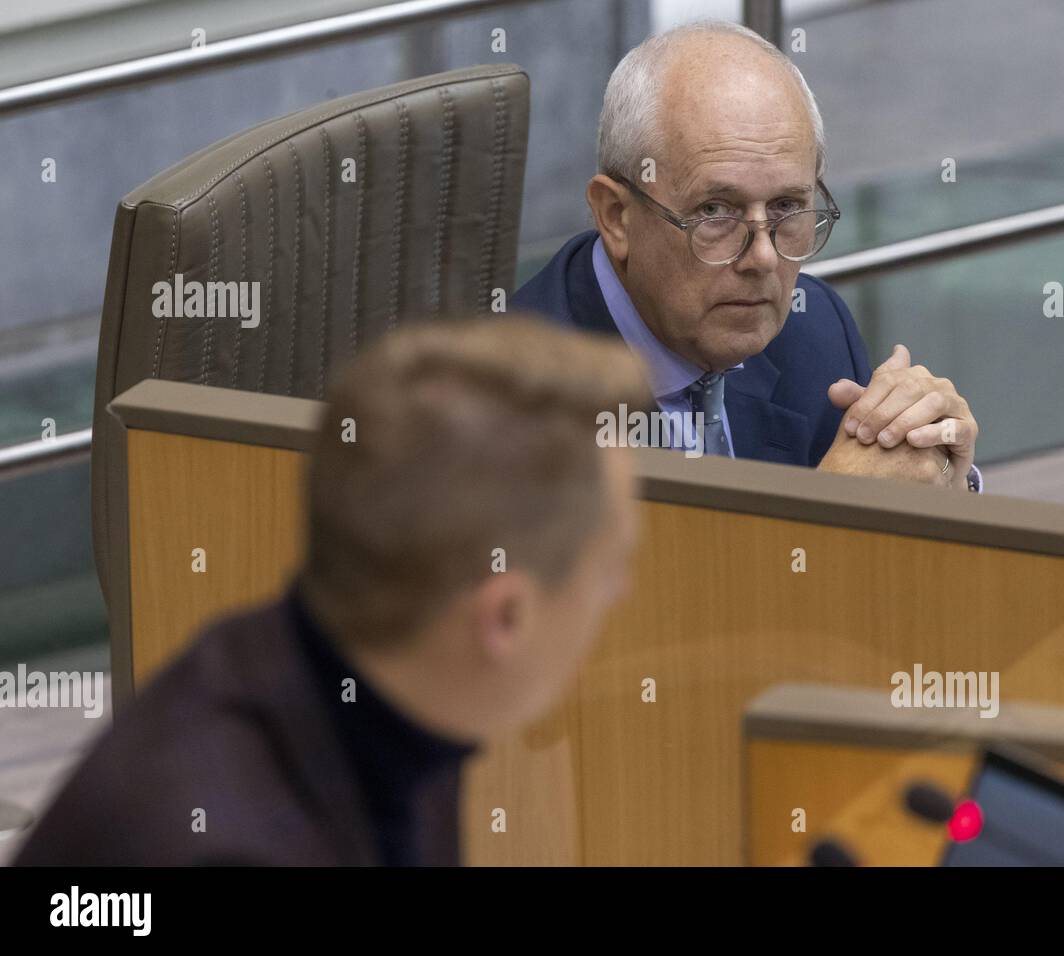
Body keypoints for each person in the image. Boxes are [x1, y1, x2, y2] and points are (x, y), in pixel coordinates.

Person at [16, 316, 648, 866]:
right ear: (505, 617)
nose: (620, 594)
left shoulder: (401, 697)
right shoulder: (218, 843)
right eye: (610, 567)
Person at [514, 19, 981, 490]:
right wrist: (828, 510)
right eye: (715, 211)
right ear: (616, 216)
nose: (762, 259)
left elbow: (884, 525)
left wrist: (940, 481)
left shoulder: (813, 326)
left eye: (786, 206)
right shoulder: (508, 408)